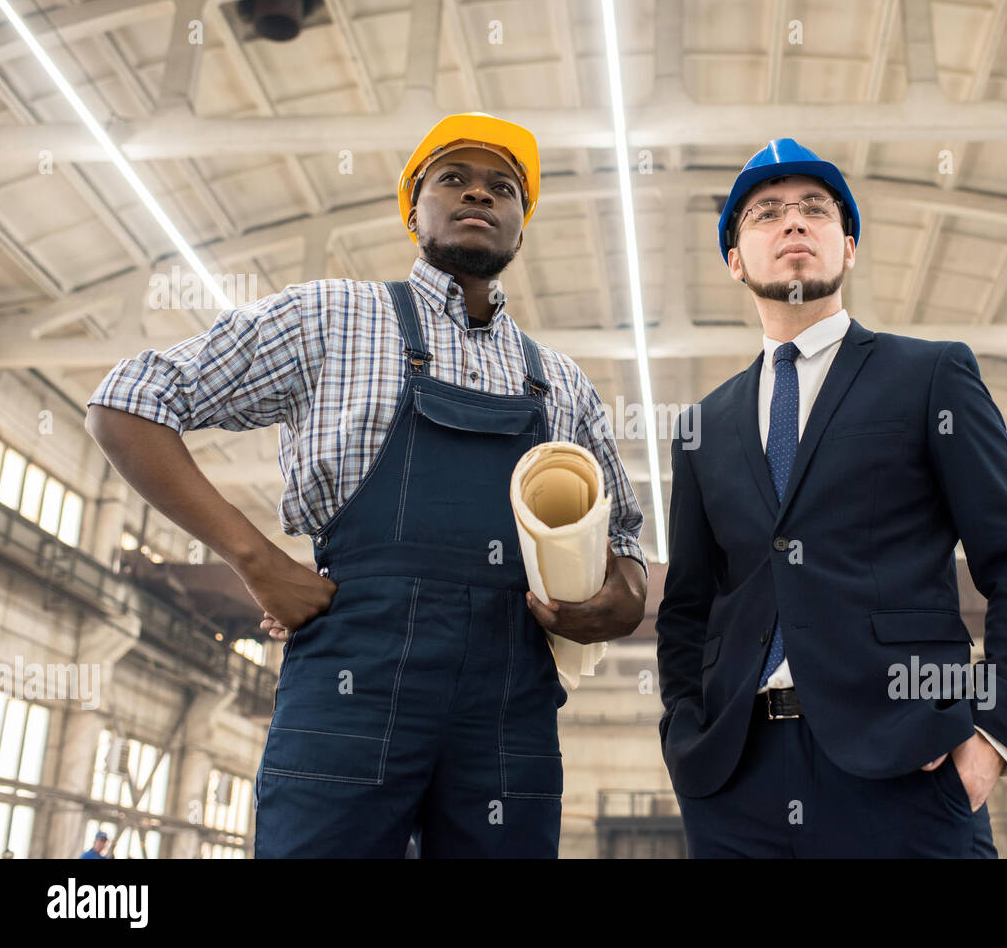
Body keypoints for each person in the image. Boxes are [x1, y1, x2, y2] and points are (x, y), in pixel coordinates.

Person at [86, 112, 648, 858]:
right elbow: (127, 401)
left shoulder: (564, 386)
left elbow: (626, 541)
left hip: (509, 705)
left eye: (503, 187)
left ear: (522, 223)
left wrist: (623, 598)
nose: (479, 194)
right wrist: (257, 563)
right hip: (350, 680)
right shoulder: (330, 319)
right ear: (413, 208)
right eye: (453, 177)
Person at [655, 138, 1007, 857]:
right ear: (735, 260)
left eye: (815, 208)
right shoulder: (701, 428)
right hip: (736, 784)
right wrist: (686, 738)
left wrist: (994, 738)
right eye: (766, 213)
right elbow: (687, 606)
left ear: (847, 245)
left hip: (906, 769)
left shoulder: (930, 375)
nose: (793, 222)